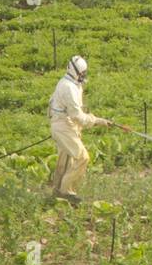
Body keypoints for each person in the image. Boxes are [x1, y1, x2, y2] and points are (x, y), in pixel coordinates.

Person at [48, 55, 116, 204]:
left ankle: (57, 191)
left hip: (65, 125)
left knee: (65, 160)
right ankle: (66, 192)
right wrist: (98, 121)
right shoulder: (68, 88)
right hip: (62, 126)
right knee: (82, 157)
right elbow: (77, 116)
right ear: (75, 72)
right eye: (82, 73)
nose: (84, 75)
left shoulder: (73, 84)